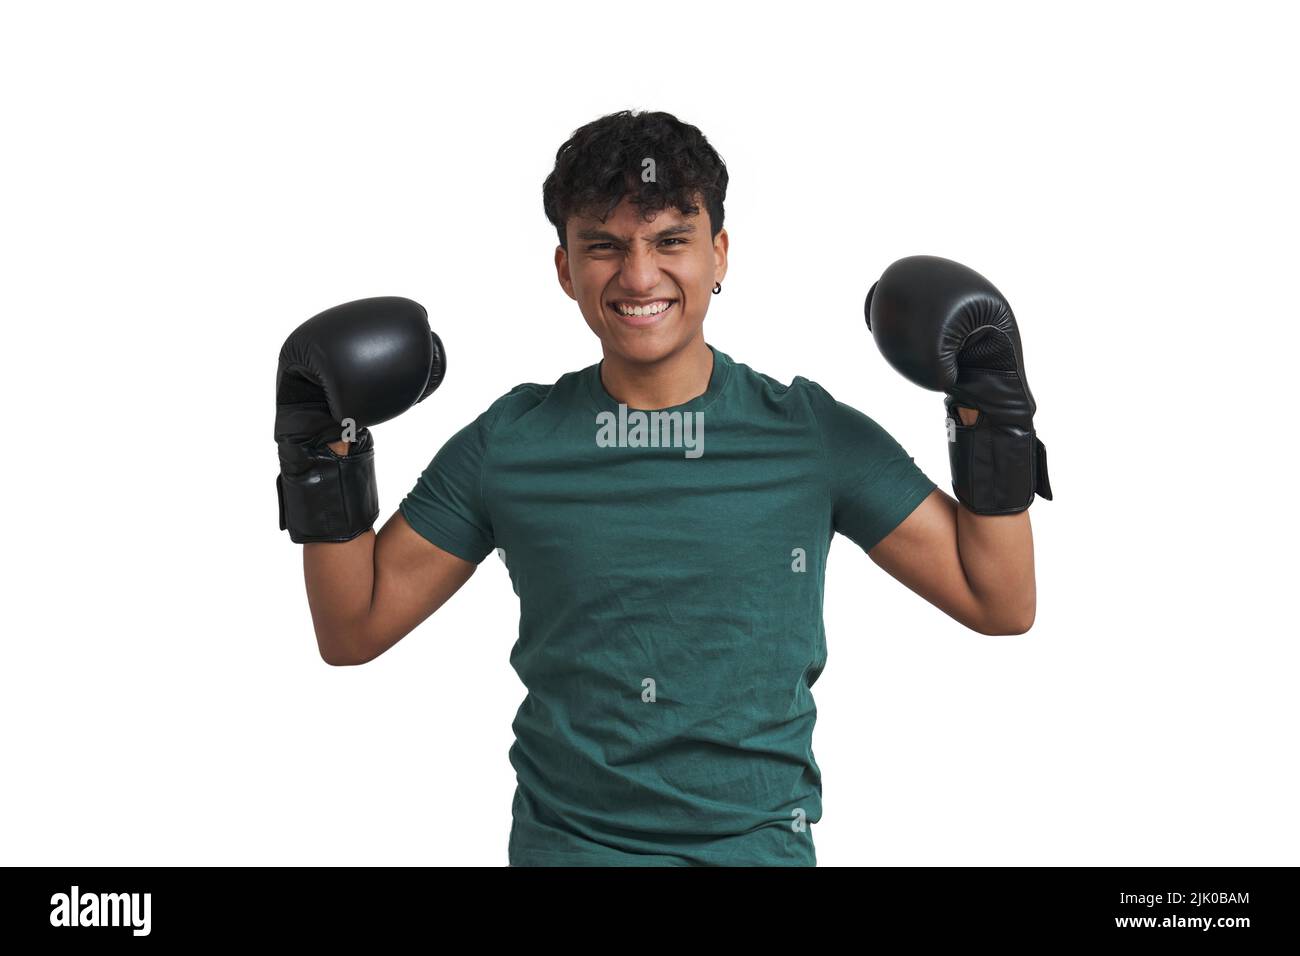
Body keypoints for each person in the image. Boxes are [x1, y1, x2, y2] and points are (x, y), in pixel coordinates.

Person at [274, 109, 1049, 866]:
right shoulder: (511, 443)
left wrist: (992, 414)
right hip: (567, 850)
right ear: (564, 269)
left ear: (719, 252)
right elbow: (354, 630)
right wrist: (319, 449)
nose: (639, 276)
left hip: (757, 848)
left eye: (670, 240)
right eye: (604, 246)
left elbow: (999, 601)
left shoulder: (809, 435)